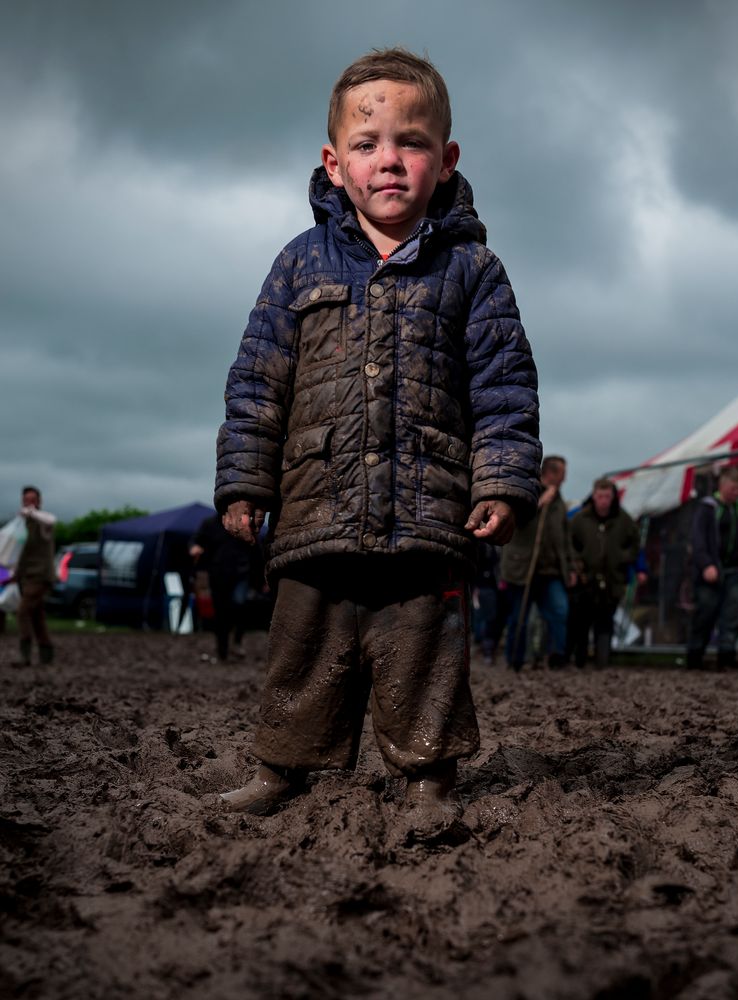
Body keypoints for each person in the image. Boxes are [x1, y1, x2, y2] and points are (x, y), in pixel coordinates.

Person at [214, 48, 541, 821]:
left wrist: (501, 482)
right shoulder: (298, 264)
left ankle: (429, 779)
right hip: (316, 504)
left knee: (424, 647)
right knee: (303, 646)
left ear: (446, 159)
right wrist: (245, 481)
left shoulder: (473, 270)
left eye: (411, 142)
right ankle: (280, 769)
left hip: (428, 509)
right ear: (334, 164)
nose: (389, 160)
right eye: (367, 144)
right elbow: (258, 381)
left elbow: (503, 388)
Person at [500, 455, 575, 670]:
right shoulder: (527, 490)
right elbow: (518, 520)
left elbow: (565, 536)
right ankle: (515, 659)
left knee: (559, 610)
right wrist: (540, 503)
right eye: (562, 474)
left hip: (550, 570)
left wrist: (570, 566)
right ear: (550, 473)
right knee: (520, 616)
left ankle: (557, 657)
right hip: (524, 567)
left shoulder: (559, 501)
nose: (564, 479)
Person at [687, 466, 738, 669]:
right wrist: (706, 565)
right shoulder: (707, 508)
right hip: (711, 571)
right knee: (705, 613)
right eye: (732, 488)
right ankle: (695, 656)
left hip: (735, 571)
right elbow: (698, 540)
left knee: (732, 615)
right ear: (722, 486)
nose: (736, 493)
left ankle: (727, 657)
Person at [569, 478, 640, 668]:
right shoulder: (580, 519)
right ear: (594, 496)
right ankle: (580, 660)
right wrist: (576, 563)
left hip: (612, 581)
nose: (603, 501)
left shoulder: (623, 520)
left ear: (613, 497)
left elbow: (635, 543)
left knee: (605, 622)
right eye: (600, 496)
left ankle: (602, 662)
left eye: (607, 496)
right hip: (586, 580)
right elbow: (570, 543)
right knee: (582, 622)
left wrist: (623, 558)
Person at [190, 513, 254, 662]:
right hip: (218, 575)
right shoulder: (210, 523)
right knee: (221, 613)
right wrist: (194, 547)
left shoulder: (242, 521)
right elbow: (196, 540)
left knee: (239, 604)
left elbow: (255, 546)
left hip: (240, 572)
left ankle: (237, 640)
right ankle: (222, 651)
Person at [11, 486, 57, 666]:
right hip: (26, 576)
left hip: (41, 576)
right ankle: (47, 653)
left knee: (22, 612)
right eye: (26, 500)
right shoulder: (21, 525)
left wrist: (31, 512)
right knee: (36, 615)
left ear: (39, 501)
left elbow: (51, 520)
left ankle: (25, 656)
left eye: (33, 500)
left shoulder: (43, 521)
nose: (29, 503)